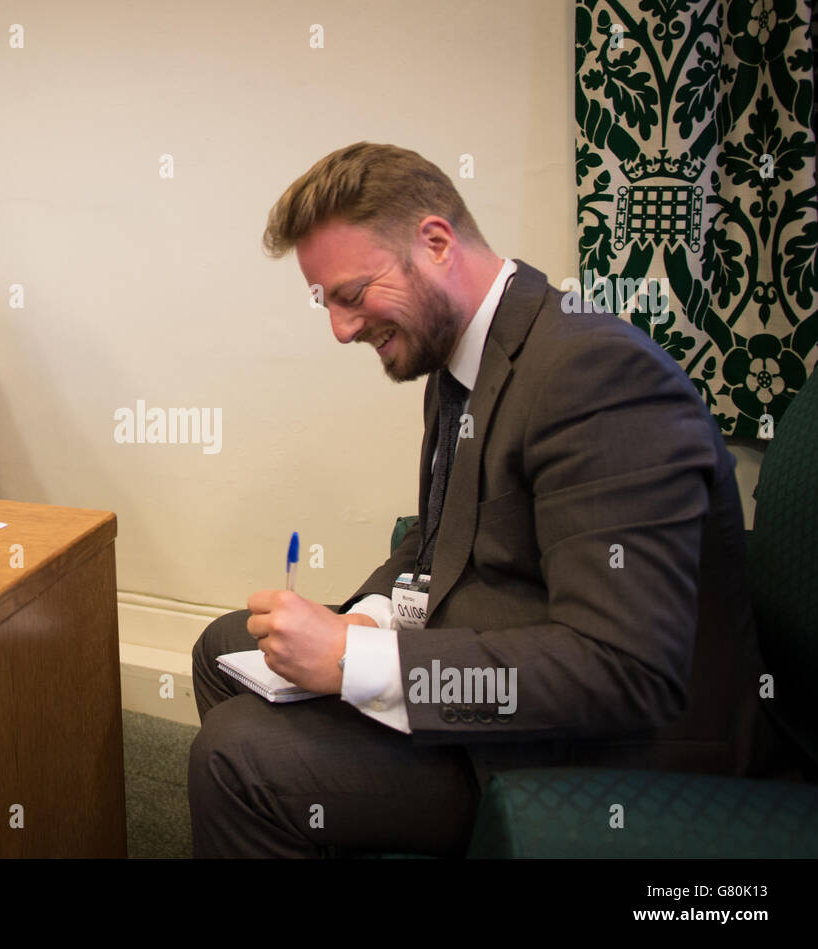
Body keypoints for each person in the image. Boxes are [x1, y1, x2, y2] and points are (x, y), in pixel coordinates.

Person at [188, 142, 783, 858]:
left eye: (350, 295)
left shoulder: (599, 375)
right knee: (225, 646)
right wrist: (367, 617)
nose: (342, 328)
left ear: (435, 243)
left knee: (236, 757)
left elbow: (625, 670)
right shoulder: (460, 354)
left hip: (601, 753)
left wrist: (356, 658)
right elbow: (436, 542)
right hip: (496, 673)